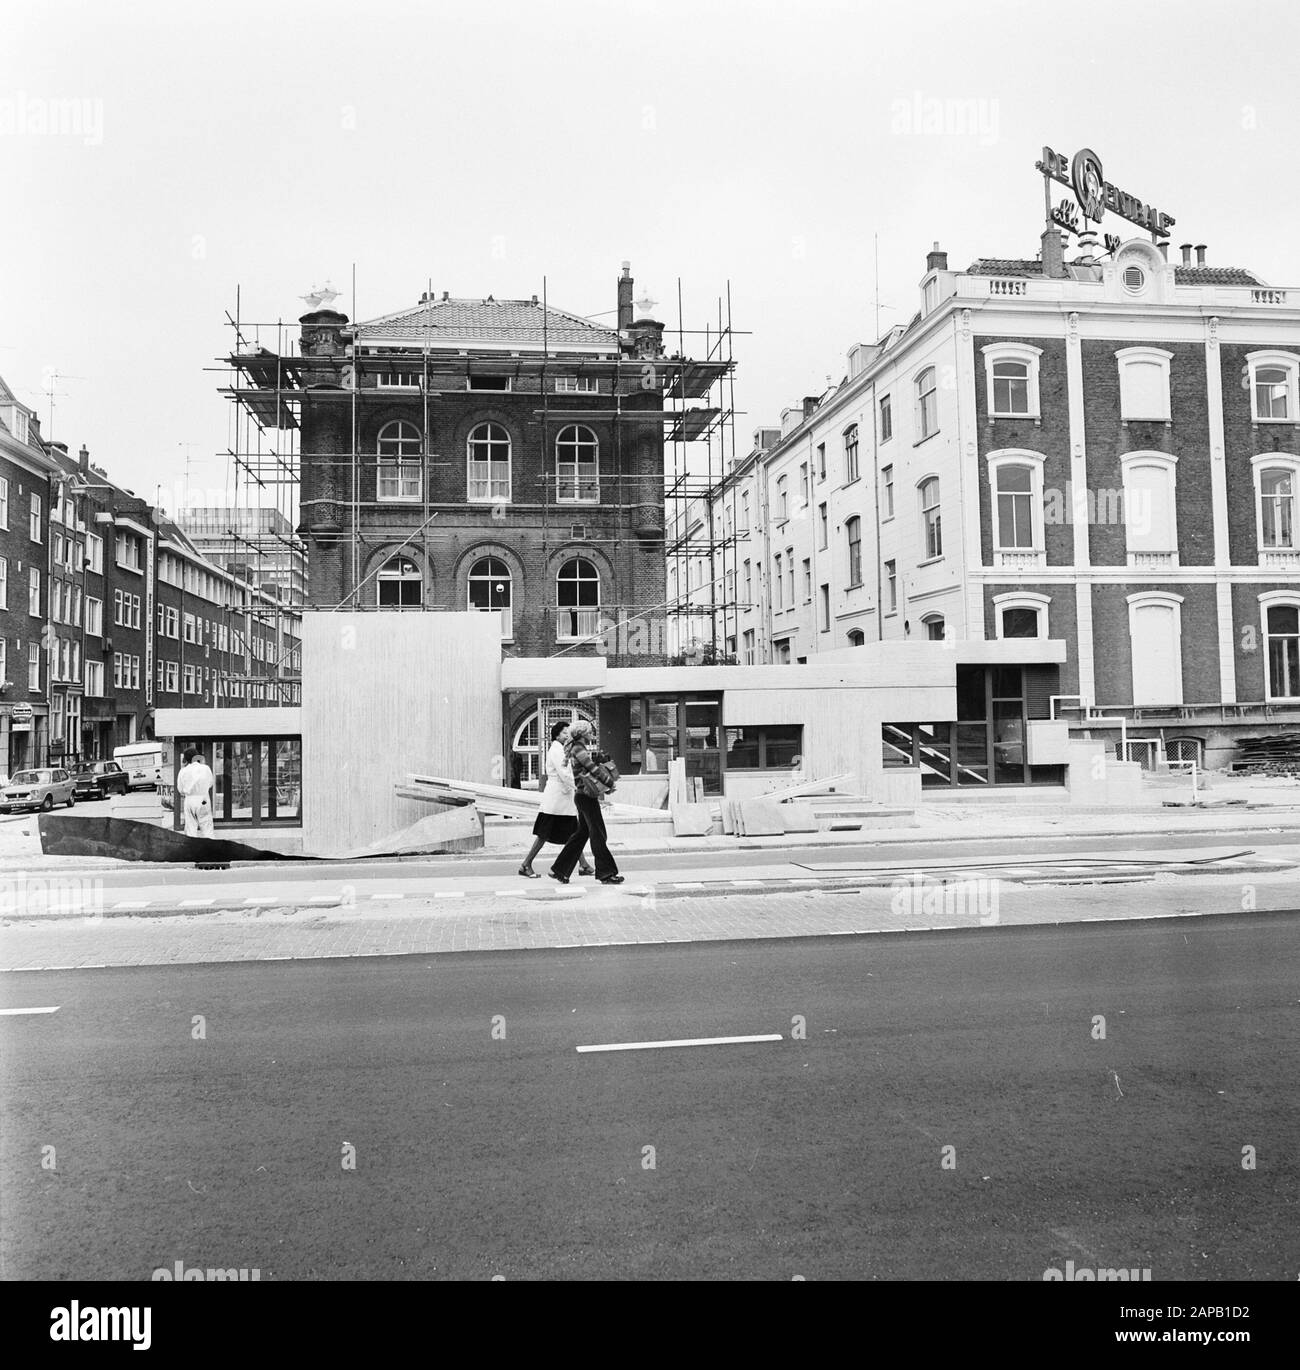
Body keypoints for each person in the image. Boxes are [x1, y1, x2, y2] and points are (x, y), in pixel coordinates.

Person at [550, 720, 623, 885]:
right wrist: (610, 783)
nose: (592, 735)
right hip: (585, 798)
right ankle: (606, 873)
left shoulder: (577, 748)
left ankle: (560, 869)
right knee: (598, 833)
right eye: (590, 732)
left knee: (582, 834)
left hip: (582, 796)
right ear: (582, 734)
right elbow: (593, 770)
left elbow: (589, 769)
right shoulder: (579, 749)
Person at [519, 722, 594, 878]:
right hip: (556, 799)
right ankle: (526, 864)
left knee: (574, 832)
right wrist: (581, 788)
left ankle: (584, 864)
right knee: (544, 834)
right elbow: (565, 773)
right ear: (557, 735)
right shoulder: (556, 750)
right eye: (564, 733)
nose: (567, 736)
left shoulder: (560, 749)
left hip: (561, 799)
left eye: (568, 733)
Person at [176, 748, 215, 838]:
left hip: (189, 800)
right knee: (207, 827)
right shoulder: (205, 768)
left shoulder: (183, 771)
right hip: (203, 799)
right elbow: (210, 784)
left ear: (186, 759)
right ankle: (211, 849)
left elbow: (180, 789)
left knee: (190, 828)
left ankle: (192, 850)